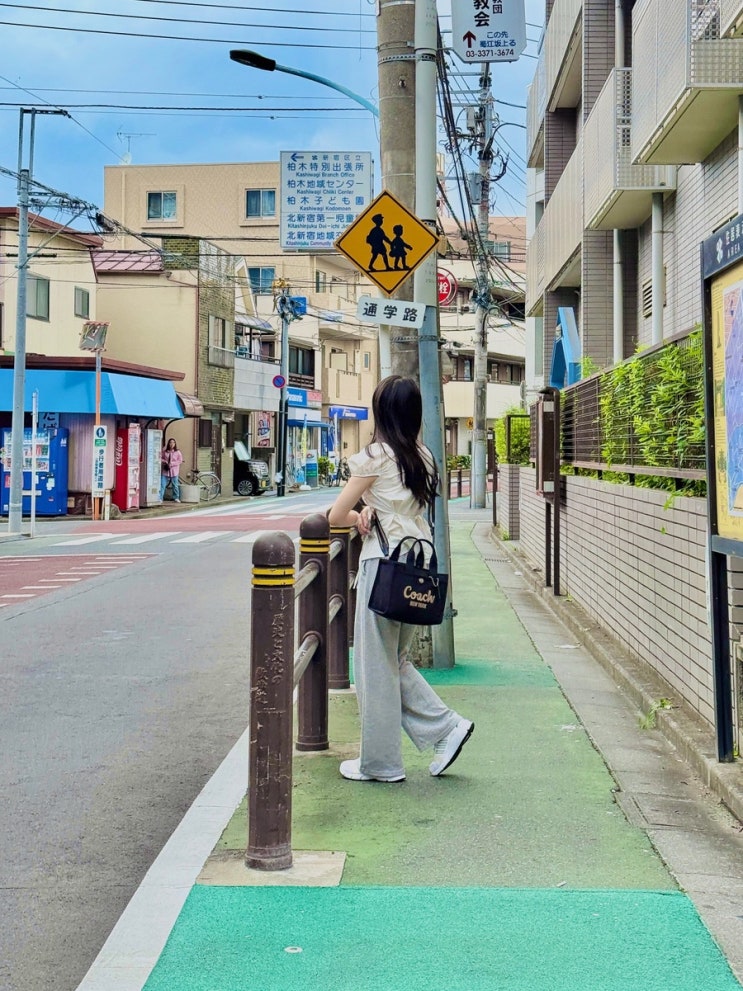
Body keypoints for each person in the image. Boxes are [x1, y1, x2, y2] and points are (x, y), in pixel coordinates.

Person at [328, 375, 474, 782]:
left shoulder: (375, 457)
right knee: (395, 660)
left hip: (384, 564)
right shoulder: (423, 456)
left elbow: (336, 515)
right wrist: (373, 510)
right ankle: (445, 728)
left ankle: (382, 764)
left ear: (382, 412)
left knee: (375, 667)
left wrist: (361, 515)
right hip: (417, 563)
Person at [159, 437, 183, 502]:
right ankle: (160, 498)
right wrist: (165, 461)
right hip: (166, 470)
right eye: (170, 443)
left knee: (175, 485)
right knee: (162, 484)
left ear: (175, 444)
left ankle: (176, 497)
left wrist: (172, 463)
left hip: (174, 471)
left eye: (173, 443)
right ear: (168, 444)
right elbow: (160, 458)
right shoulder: (165, 451)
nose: (172, 444)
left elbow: (180, 460)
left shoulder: (177, 452)